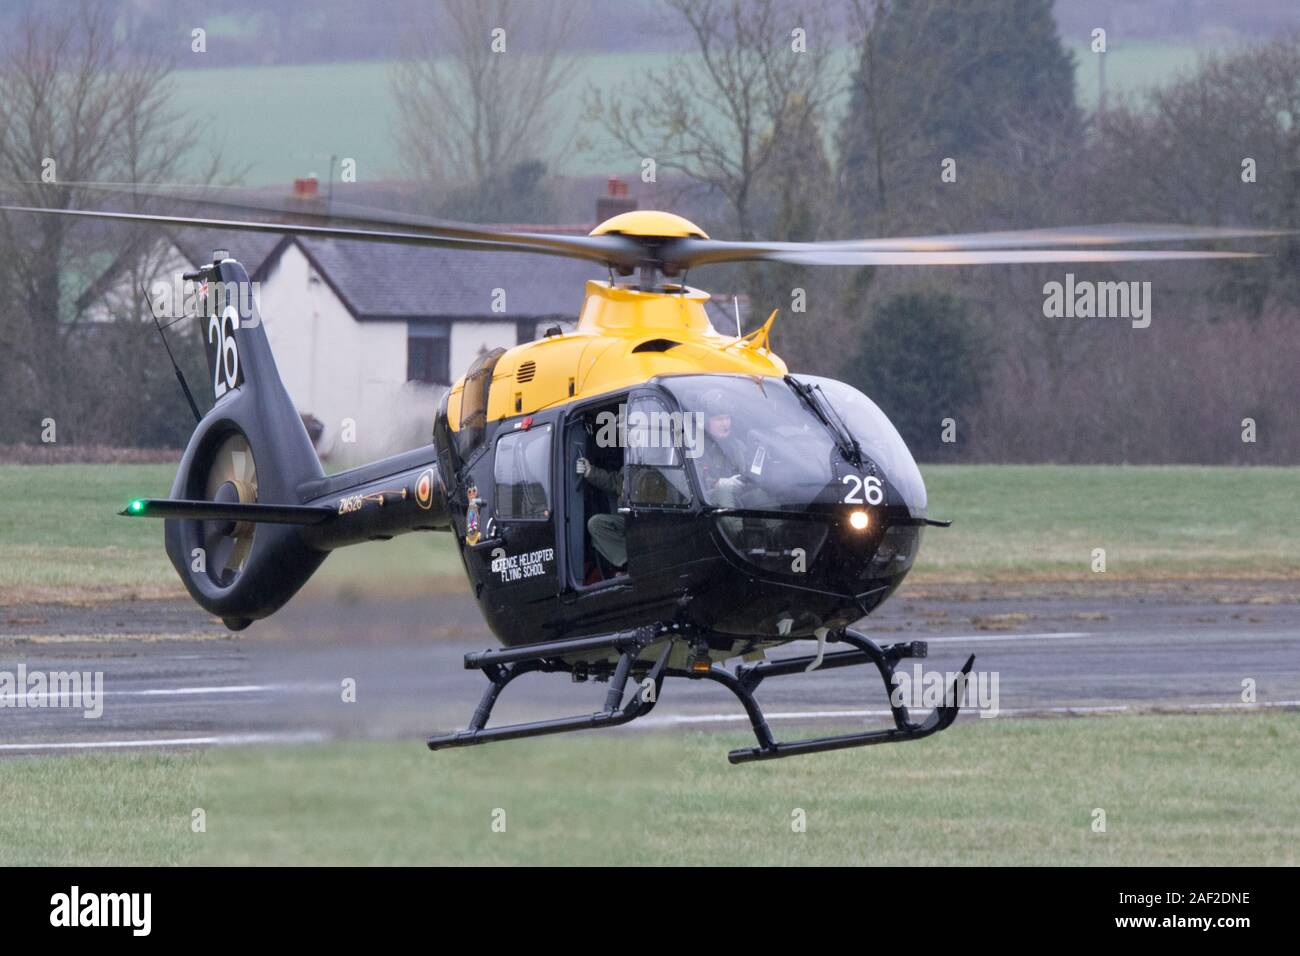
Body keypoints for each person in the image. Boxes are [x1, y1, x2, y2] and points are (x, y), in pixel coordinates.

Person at [695, 389, 750, 507]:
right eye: (719, 419)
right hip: (704, 502)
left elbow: (746, 475)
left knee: (759, 496)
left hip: (738, 495)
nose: (725, 424)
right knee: (723, 494)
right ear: (706, 422)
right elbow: (687, 482)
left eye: (727, 418)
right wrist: (717, 483)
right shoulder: (694, 447)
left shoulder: (737, 446)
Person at [575, 453, 627, 572]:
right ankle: (628, 565)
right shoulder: (630, 462)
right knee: (596, 525)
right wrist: (589, 471)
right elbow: (615, 482)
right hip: (629, 519)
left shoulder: (661, 456)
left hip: (654, 518)